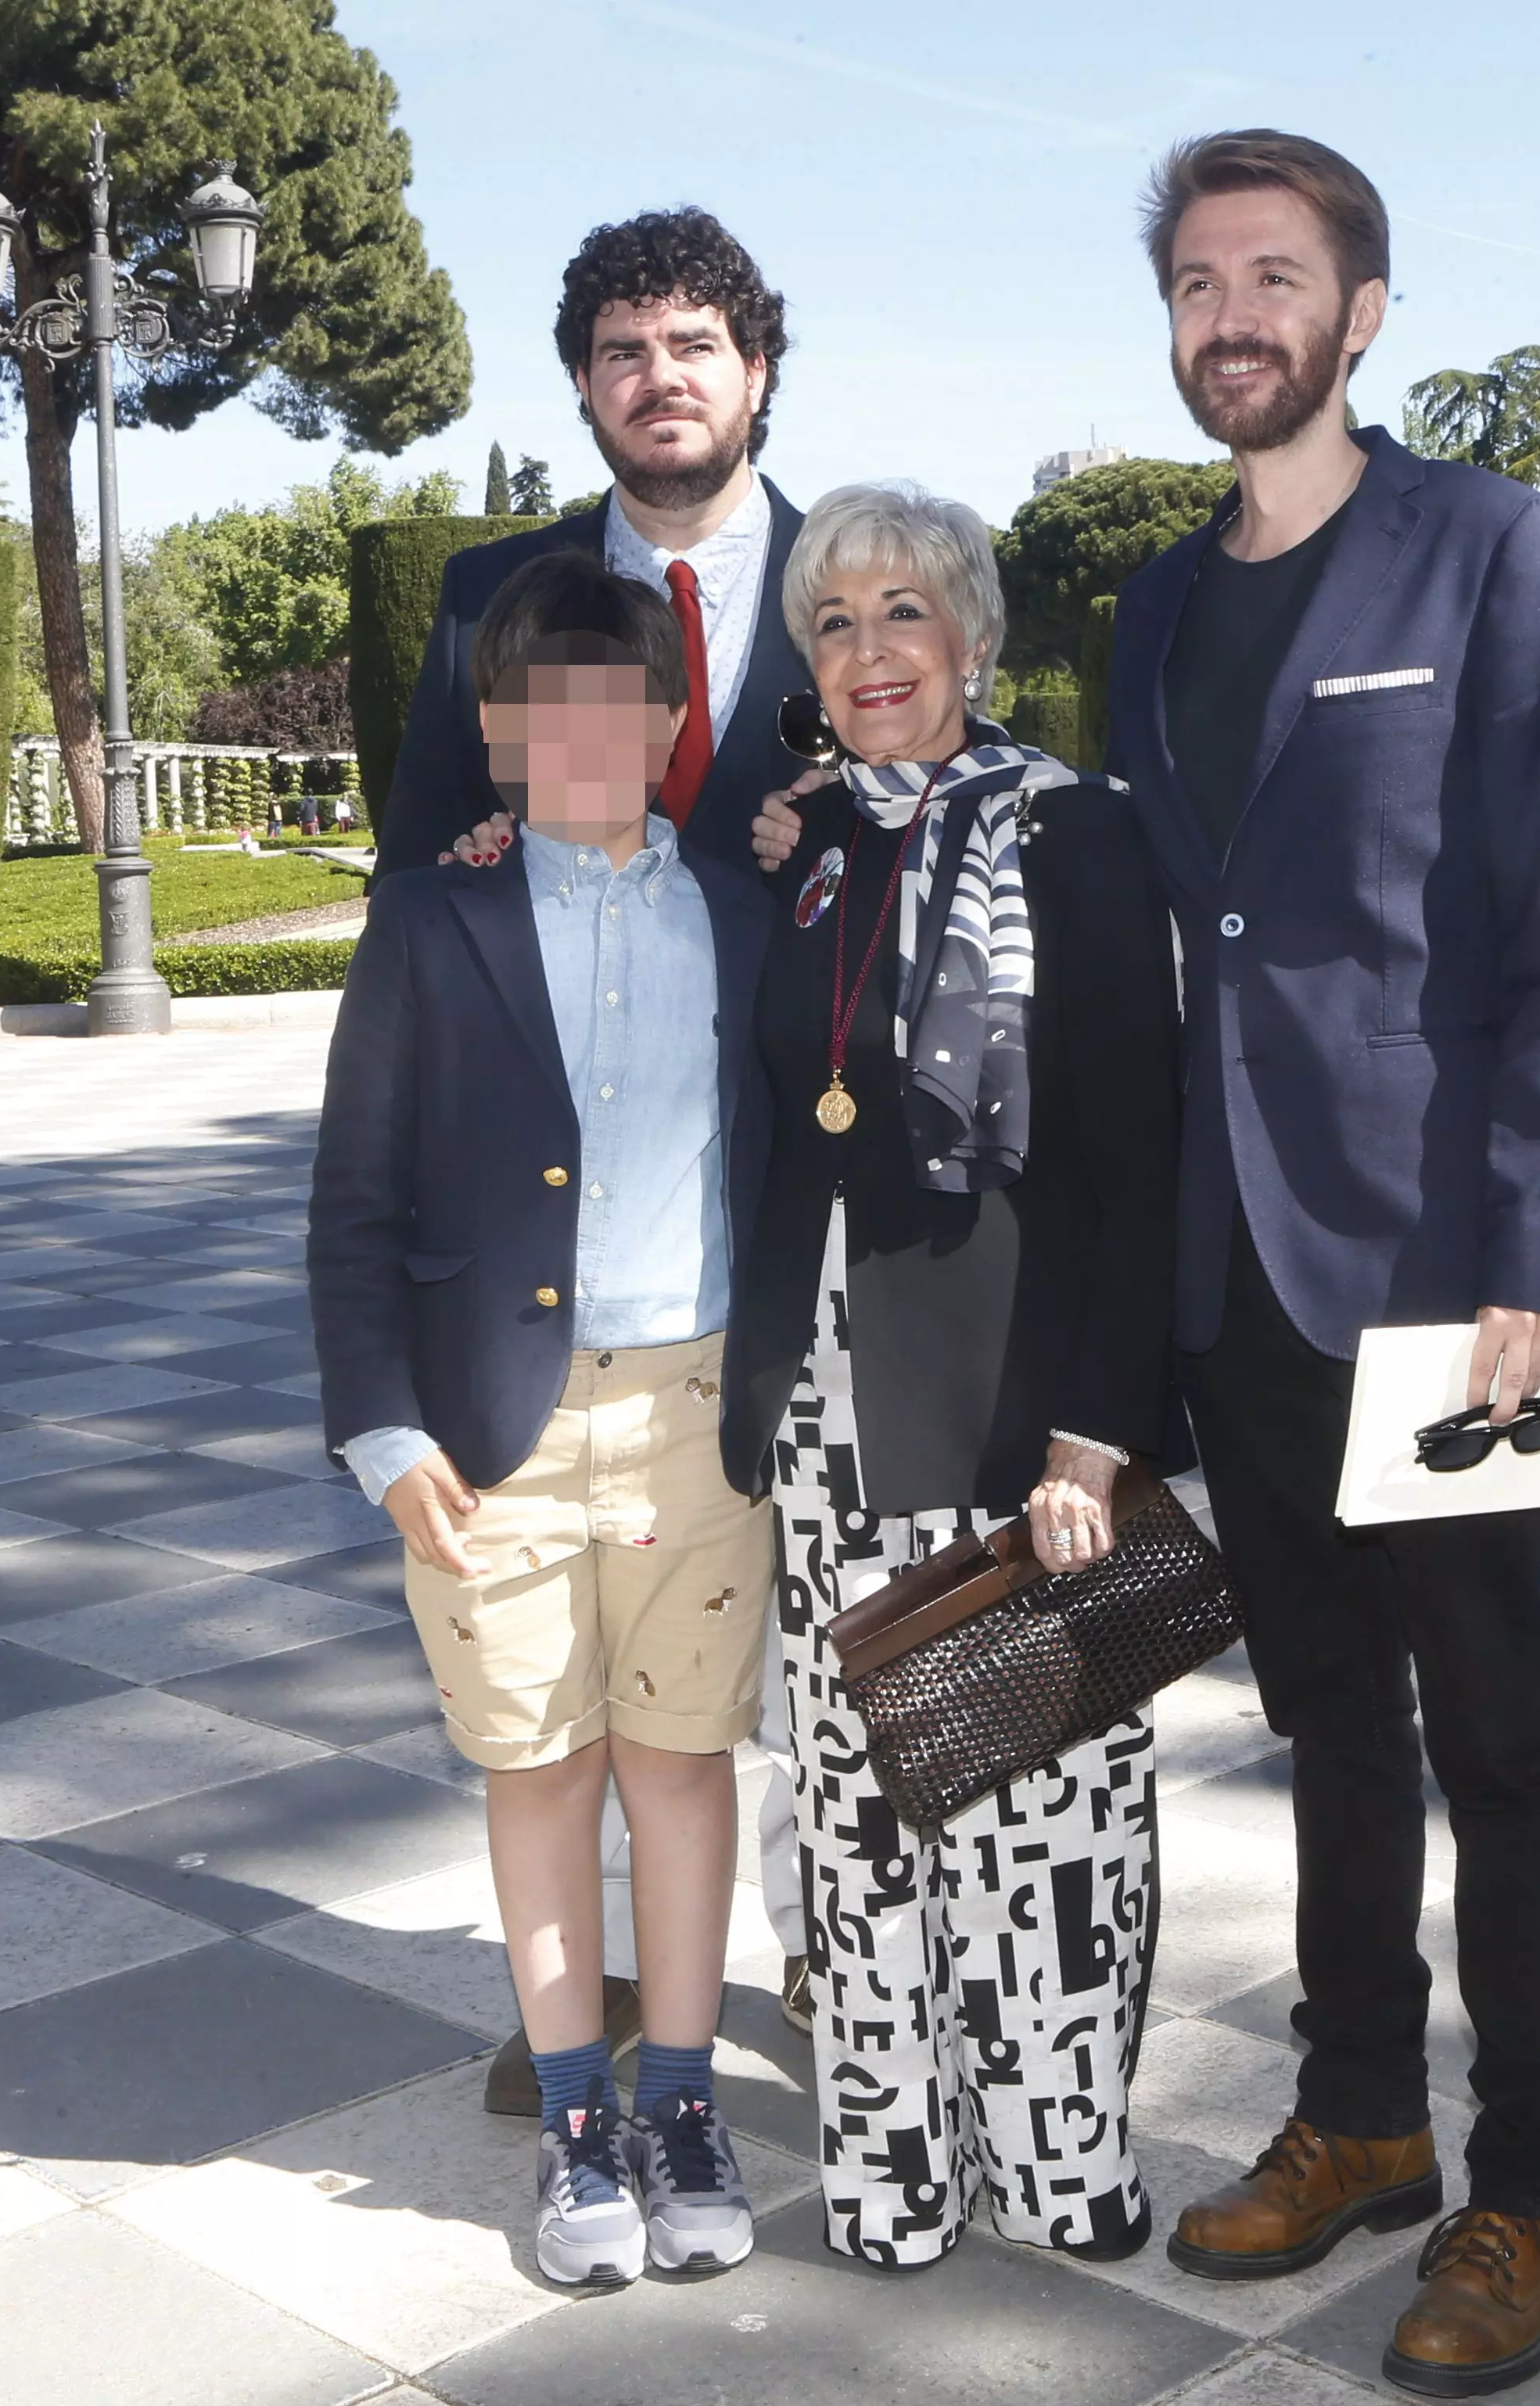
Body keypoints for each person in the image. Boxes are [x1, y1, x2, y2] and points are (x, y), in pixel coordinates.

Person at [1115, 132, 1540, 2399]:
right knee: (1325, 1716)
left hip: (1442, 1268)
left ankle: (1526, 2190)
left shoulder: (1496, 550)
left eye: (1277, 277)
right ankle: (1362, 2114)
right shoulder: (1150, 603)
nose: (1237, 315)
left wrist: (1535, 1243)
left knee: (1499, 1725)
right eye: (1203, 281)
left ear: (1362, 309)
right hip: (1231, 1270)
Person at [727, 482, 1184, 2271]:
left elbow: (1130, 1158)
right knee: (852, 1803)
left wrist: (1094, 1427)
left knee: (1035, 1800)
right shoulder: (805, 844)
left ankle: (1060, 2155)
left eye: (901, 613)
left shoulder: (1073, 838)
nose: (865, 654)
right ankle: (891, 2165)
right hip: (824, 1405)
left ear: (974, 640)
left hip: (1011, 1401)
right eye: (830, 624)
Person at [310, 553, 778, 2288]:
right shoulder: (432, 921)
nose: (580, 737)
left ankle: (680, 2092)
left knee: (678, 1762)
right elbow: (353, 1194)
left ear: (667, 722)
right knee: (538, 1764)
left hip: (696, 1417)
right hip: (486, 1433)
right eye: (540, 709)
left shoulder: (737, 909)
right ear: (500, 733)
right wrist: (380, 1425)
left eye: (617, 704)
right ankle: (573, 2110)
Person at [382, 210, 810, 882]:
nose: (662, 378)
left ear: (755, 373)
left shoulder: (860, 589)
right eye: (623, 353)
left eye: (694, 346)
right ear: (583, 384)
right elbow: (411, 880)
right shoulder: (482, 597)